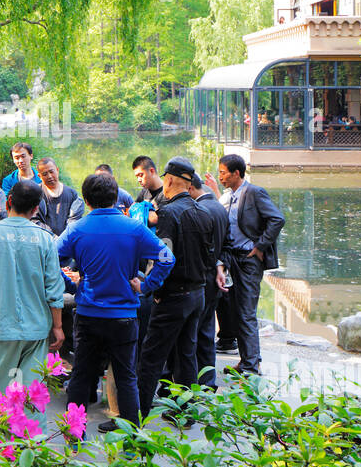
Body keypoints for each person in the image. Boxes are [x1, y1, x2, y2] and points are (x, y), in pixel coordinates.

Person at [57, 171, 175, 432]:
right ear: (116, 198)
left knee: (81, 376)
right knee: (126, 378)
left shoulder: (77, 228)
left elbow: (50, 260)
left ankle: (73, 440)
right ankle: (132, 443)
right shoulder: (134, 228)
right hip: (124, 317)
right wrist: (146, 285)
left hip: (88, 314)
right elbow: (167, 258)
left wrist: (72, 284)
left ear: (86, 201)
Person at [0, 180, 65, 429]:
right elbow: (54, 287)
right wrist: (58, 326)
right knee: (31, 393)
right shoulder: (44, 239)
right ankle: (31, 446)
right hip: (37, 329)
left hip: (0, 326)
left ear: (8, 202)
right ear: (35, 209)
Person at [135, 157, 220, 425]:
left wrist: (147, 286)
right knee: (186, 355)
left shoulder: (170, 214)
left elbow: (163, 258)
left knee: (151, 357)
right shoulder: (203, 212)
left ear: (169, 180)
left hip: (173, 297)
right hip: (198, 294)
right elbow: (209, 255)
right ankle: (186, 413)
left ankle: (135, 417)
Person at [213, 153, 284, 376]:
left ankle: (251, 366)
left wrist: (260, 246)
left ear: (236, 173)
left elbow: (277, 219)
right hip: (232, 258)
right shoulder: (229, 195)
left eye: (223, 172)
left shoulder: (254, 192)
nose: (220, 176)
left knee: (245, 312)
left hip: (248, 260)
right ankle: (246, 360)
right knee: (235, 311)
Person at [191, 171, 231, 391]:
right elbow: (227, 242)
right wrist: (220, 266)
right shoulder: (218, 207)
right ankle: (208, 381)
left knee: (192, 331)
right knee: (206, 331)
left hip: (199, 278)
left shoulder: (198, 211)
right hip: (214, 276)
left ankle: (191, 381)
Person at [34, 156, 84, 237]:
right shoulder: (35, 193)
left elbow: (74, 220)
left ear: (57, 170)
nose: (49, 176)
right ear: (39, 176)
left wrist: (63, 239)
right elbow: (34, 220)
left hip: (67, 241)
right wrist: (52, 237)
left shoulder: (72, 194)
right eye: (45, 174)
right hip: (44, 241)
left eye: (51, 171)